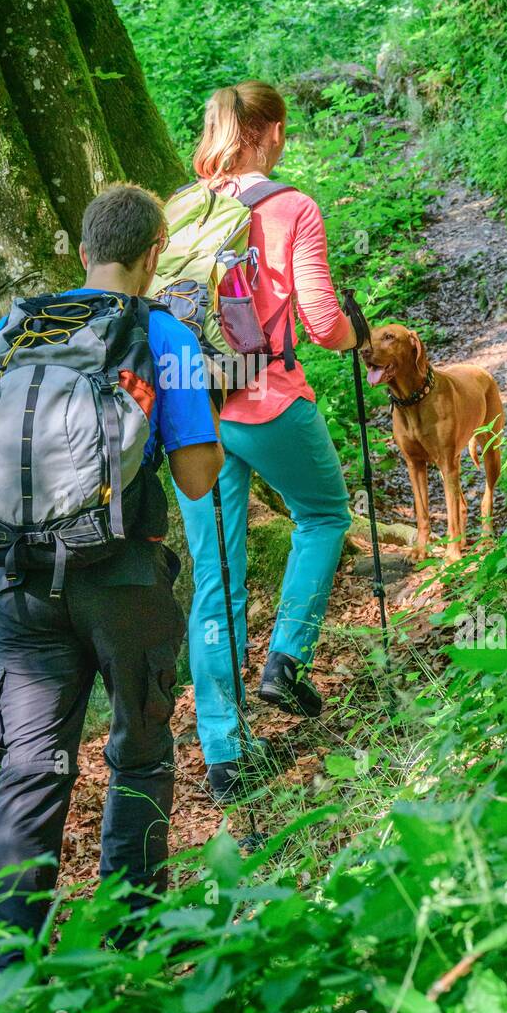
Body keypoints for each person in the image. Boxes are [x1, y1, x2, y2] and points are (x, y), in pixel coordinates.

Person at [0, 184, 222, 974]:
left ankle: (9, 975)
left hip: (19, 582)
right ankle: (130, 947)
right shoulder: (164, 334)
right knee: (140, 753)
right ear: (153, 256)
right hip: (123, 576)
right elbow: (199, 477)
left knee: (28, 772)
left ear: (82, 252)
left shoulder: (13, 330)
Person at [173, 81, 357, 801]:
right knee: (324, 515)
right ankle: (287, 658)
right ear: (270, 130)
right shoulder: (290, 207)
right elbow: (320, 320)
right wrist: (357, 333)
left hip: (195, 417)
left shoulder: (181, 207)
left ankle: (224, 753)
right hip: (266, 401)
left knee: (216, 577)